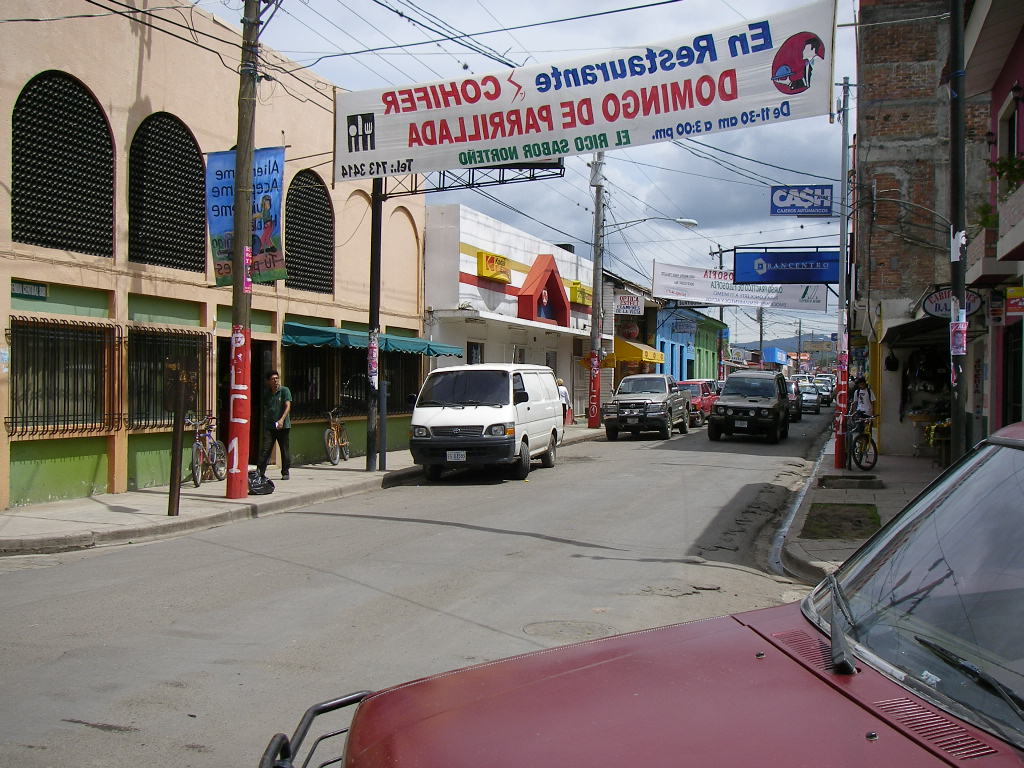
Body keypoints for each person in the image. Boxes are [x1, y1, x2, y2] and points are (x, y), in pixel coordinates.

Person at [259, 370, 292, 480]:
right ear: (268, 381)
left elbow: (288, 406)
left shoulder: (284, 391)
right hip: (270, 426)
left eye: (276, 378)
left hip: (283, 426)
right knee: (265, 449)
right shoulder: (267, 393)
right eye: (273, 379)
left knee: (284, 450)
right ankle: (260, 472)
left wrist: (282, 420)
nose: (275, 380)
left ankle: (285, 472)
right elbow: (265, 407)